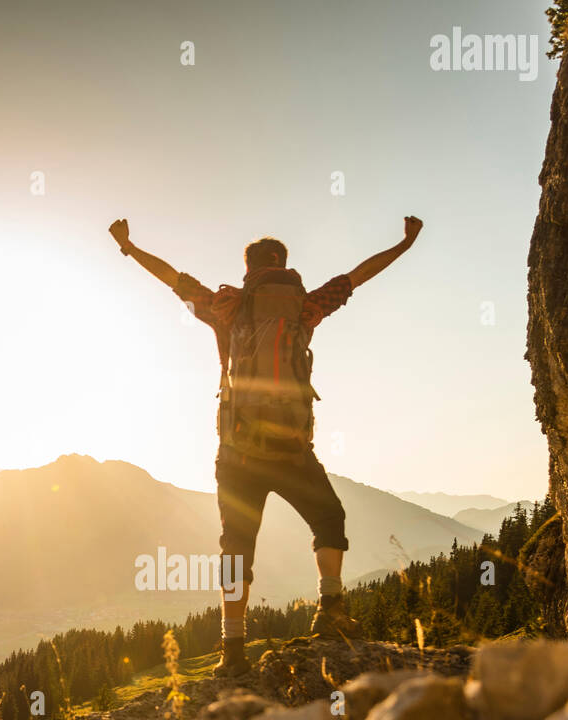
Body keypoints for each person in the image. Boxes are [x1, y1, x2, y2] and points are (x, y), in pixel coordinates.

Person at [109, 215, 424, 675]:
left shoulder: (227, 308)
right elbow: (358, 275)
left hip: (237, 453)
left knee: (236, 549)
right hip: (293, 449)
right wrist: (404, 245)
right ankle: (330, 610)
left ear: (247, 269)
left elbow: (173, 278)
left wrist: (129, 247)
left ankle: (232, 651)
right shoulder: (305, 307)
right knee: (329, 518)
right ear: (284, 266)